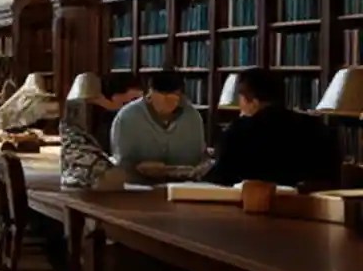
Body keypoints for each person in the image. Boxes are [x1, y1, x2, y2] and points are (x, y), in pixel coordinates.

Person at [204, 68, 338, 188]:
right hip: (310, 208)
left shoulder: (237, 132)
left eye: (241, 101)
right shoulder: (317, 128)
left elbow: (219, 178)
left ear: (253, 102)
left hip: (252, 206)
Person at [110, 72, 207, 184]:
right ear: (149, 95)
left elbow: (198, 158)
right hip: (137, 187)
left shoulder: (192, 117)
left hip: (183, 186)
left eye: (171, 99)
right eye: (161, 98)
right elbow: (121, 163)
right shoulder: (127, 117)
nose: (166, 103)